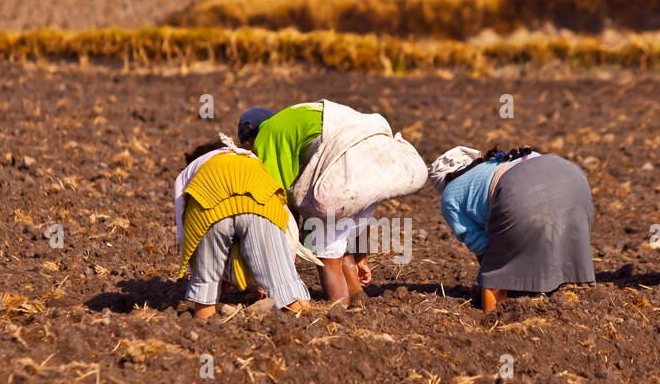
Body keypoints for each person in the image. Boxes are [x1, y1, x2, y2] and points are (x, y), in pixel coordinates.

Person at [237, 101, 426, 307]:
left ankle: (340, 309)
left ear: (250, 140)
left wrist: (276, 268)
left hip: (348, 159)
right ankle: (357, 299)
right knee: (338, 237)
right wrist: (361, 257)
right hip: (379, 154)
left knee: (324, 248)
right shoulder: (298, 121)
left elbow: (277, 201)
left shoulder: (269, 134)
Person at [428, 145, 595, 311]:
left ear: (442, 182)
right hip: (574, 180)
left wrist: (493, 276)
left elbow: (481, 247)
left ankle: (493, 319)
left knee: (495, 274)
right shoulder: (500, 161)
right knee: (566, 246)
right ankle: (581, 305)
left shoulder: (450, 195)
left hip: (520, 194)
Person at [174, 139, 312, 319]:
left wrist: (205, 268)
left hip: (208, 205)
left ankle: (204, 322)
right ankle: (296, 313)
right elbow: (284, 223)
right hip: (260, 203)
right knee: (286, 289)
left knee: (205, 290)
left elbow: (183, 226)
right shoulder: (251, 159)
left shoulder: (191, 171)